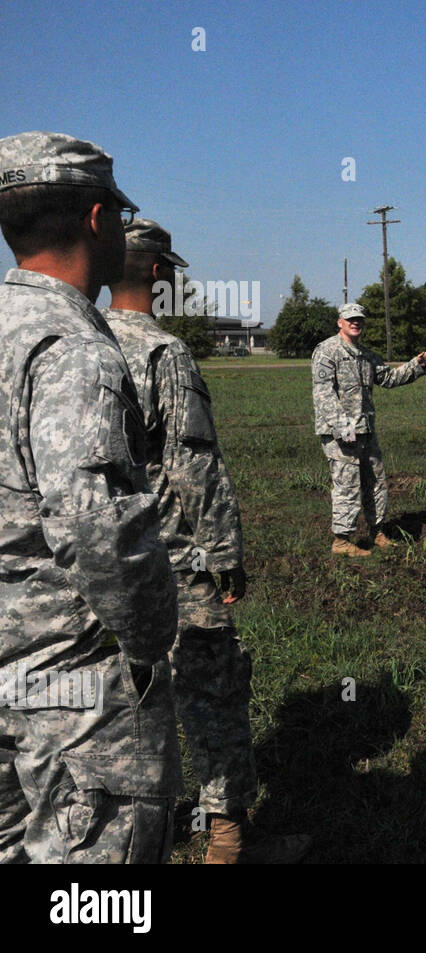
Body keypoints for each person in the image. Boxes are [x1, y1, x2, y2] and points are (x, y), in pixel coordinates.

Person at [0, 132, 180, 863]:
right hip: (72, 688)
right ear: (100, 220)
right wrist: (145, 642)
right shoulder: (72, 346)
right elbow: (95, 525)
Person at [104, 220, 309, 863]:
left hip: (101, 566)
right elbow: (195, 467)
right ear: (162, 274)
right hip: (174, 562)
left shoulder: (83, 343)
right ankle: (228, 841)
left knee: (125, 702)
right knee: (212, 692)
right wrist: (226, 555)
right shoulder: (164, 354)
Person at [311, 303, 426, 555]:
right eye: (350, 319)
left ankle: (377, 531)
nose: (355, 323)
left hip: (366, 431)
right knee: (346, 485)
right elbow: (323, 394)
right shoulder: (326, 351)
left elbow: (389, 378)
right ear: (340, 322)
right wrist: (342, 426)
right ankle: (342, 540)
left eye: (359, 319)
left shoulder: (366, 356)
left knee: (376, 483)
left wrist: (417, 364)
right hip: (341, 434)